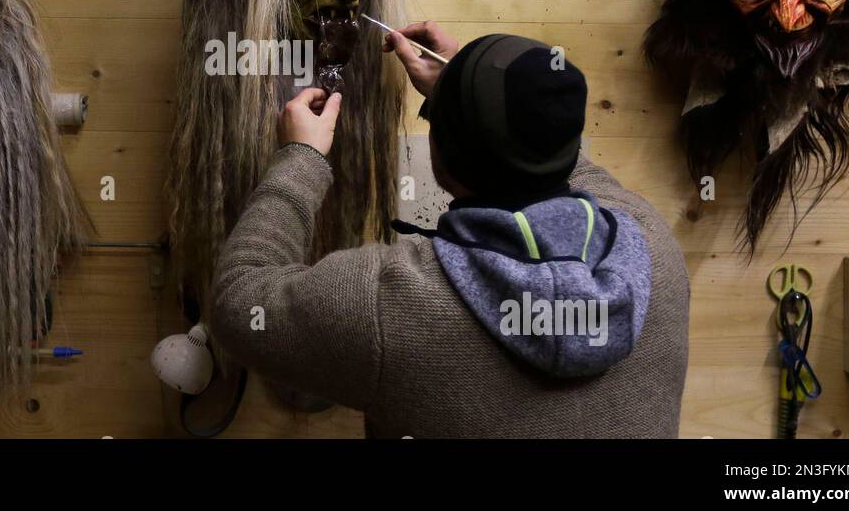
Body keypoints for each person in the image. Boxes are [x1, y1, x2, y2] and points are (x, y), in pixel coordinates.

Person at [210, 22, 690, 437]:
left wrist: (302, 159)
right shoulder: (653, 242)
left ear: (440, 155)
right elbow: (565, 164)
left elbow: (238, 302)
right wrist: (474, 91)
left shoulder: (388, 306)